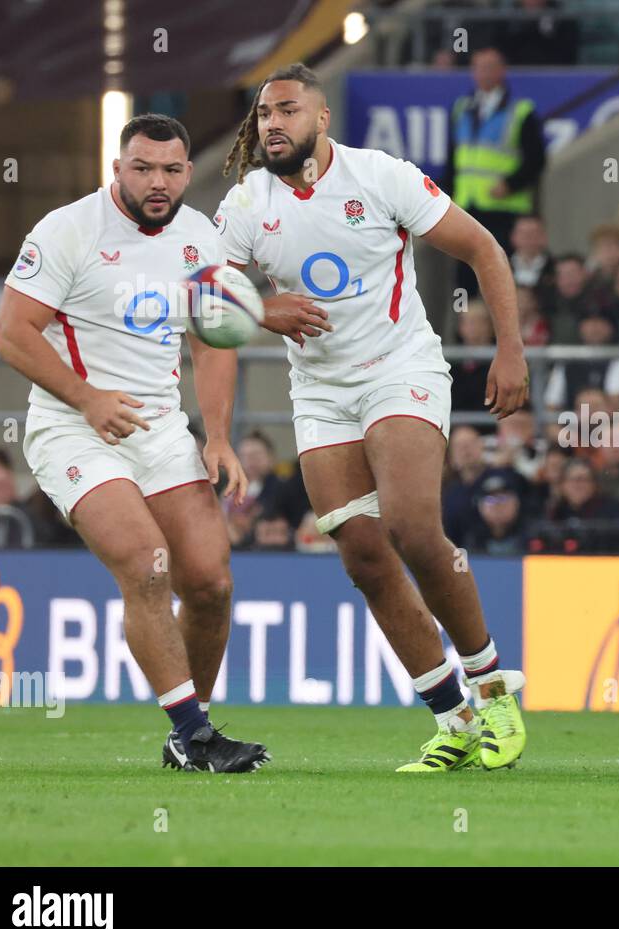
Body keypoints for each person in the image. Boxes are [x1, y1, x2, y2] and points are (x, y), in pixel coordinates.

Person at [217, 63, 530, 772]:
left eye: (289, 110)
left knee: (413, 526)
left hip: (401, 370)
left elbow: (482, 246)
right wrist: (262, 310)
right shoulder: (244, 206)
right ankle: (453, 720)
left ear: (321, 120)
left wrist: (510, 349)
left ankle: (492, 687)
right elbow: (205, 301)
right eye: (265, 113)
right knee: (362, 556)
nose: (273, 123)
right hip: (321, 394)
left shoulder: (380, 176)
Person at [0, 113, 266, 773]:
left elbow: (213, 338)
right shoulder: (68, 229)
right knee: (148, 566)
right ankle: (197, 735)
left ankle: (189, 736)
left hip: (159, 429)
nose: (159, 181)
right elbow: (12, 332)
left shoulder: (199, 236)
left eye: (172, 170)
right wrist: (87, 399)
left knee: (210, 582)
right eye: (143, 168)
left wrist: (220, 438)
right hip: (72, 428)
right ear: (117, 167)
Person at [443, 47, 546, 277]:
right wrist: (448, 194)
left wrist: (510, 184)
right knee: (466, 273)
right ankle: (467, 313)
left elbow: (536, 159)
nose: (483, 73)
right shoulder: (461, 108)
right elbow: (453, 158)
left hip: (504, 208)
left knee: (500, 271)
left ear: (502, 71)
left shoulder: (521, 110)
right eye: (478, 67)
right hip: (466, 207)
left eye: (490, 67)